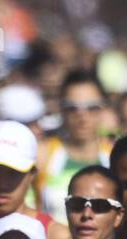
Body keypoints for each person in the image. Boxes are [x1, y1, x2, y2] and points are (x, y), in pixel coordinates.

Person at [36, 71, 113, 223]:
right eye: (72, 108)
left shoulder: (116, 156)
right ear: (61, 110)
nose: (82, 115)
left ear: (103, 109)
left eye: (91, 107)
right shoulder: (42, 154)